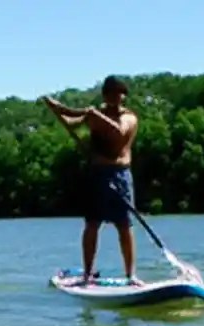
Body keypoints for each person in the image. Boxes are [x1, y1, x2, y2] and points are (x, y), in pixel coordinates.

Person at [44, 76, 141, 286]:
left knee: (124, 225)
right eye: (111, 93)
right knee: (92, 224)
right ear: (105, 95)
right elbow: (72, 122)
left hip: (120, 174)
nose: (116, 97)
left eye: (120, 93)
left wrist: (91, 113)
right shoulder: (96, 114)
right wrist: (58, 110)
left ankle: (131, 275)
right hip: (97, 174)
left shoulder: (129, 117)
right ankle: (87, 274)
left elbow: (119, 132)